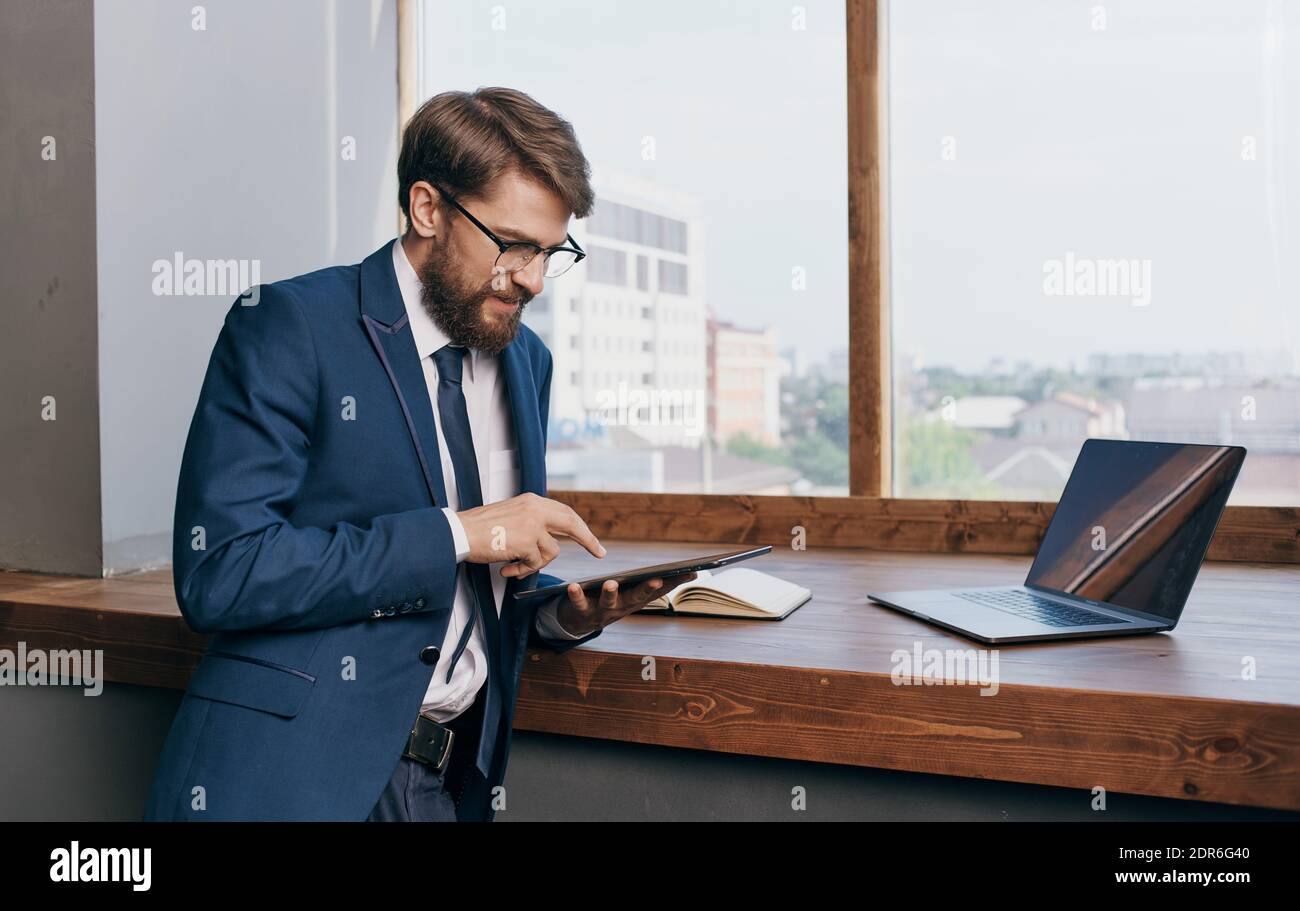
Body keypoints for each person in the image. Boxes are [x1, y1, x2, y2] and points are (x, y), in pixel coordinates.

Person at [143, 87, 694, 822]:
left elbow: (462, 592)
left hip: (444, 783)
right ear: (428, 208)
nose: (532, 278)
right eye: (513, 244)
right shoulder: (289, 325)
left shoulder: (526, 361)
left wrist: (561, 617)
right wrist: (461, 531)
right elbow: (223, 572)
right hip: (289, 783)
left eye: (550, 252)